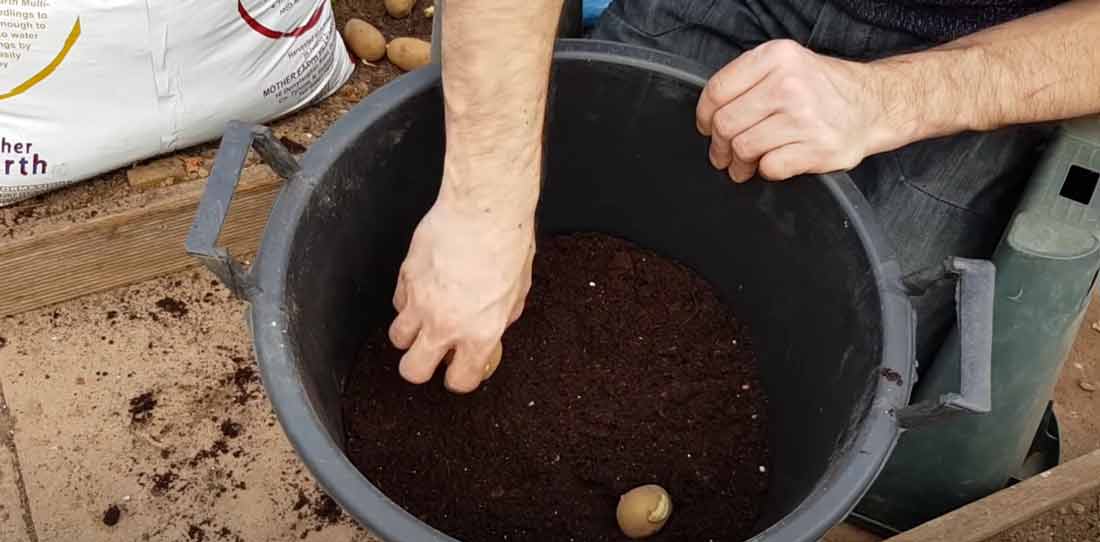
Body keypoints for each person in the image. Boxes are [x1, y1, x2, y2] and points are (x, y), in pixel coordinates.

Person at [388, 0, 1100, 393]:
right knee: (584, 164)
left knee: (851, 340)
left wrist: (895, 96)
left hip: (994, 43)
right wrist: (485, 204)